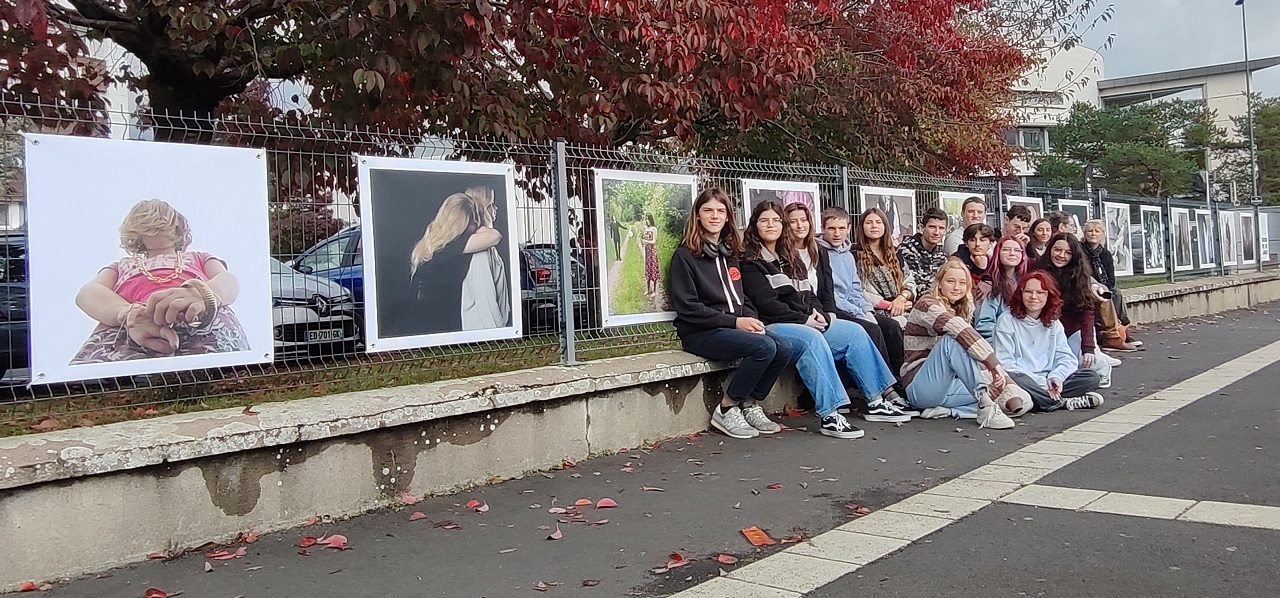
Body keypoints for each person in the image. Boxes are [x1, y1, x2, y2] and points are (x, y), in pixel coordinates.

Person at [741, 201, 912, 434]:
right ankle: (830, 414)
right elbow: (766, 305)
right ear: (755, 225)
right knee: (812, 339)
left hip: (803, 320)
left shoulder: (789, 256)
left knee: (854, 332)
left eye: (775, 220)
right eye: (764, 220)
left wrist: (819, 313)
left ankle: (876, 400)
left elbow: (809, 294)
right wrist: (803, 320)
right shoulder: (751, 260)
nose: (771, 225)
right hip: (774, 325)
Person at [668, 188, 794, 440]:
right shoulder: (684, 257)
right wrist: (735, 322)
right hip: (701, 332)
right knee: (763, 348)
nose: (714, 216)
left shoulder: (729, 253)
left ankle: (749, 402)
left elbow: (741, 297)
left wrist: (750, 318)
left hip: (731, 326)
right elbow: (689, 308)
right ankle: (726, 407)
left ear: (727, 217)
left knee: (784, 347)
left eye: (720, 211)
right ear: (697, 216)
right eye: (708, 211)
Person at [72, 199, 250, 363]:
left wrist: (205, 295)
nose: (155, 227)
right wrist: (126, 314)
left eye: (161, 222)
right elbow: (87, 293)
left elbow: (228, 280)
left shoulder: (199, 258)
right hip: (132, 330)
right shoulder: (122, 266)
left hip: (202, 323)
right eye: (147, 222)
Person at [902, 259, 1030, 428]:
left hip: (951, 386)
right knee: (952, 341)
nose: (956, 287)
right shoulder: (927, 303)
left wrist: (1007, 383)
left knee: (1024, 399)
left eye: (962, 283)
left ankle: (951, 411)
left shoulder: (964, 308)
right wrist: (992, 363)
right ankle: (985, 406)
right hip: (921, 386)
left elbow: (970, 350)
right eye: (950, 281)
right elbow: (958, 329)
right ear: (939, 284)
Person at [817, 207, 906, 389]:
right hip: (835, 308)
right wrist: (858, 312)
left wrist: (866, 310)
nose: (837, 234)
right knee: (872, 329)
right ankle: (884, 387)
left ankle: (899, 381)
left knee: (891, 327)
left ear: (849, 228)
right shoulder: (819, 253)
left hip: (854, 307)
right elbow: (831, 294)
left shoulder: (848, 255)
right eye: (832, 229)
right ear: (823, 228)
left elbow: (855, 289)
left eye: (841, 228)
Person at [993, 271, 1104, 411]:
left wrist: (1057, 376)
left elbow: (1066, 357)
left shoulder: (1053, 322)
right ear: (1020, 294)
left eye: (1040, 293)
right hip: (1024, 379)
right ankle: (1062, 403)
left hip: (1049, 378)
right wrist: (1040, 382)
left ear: (1048, 296)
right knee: (1014, 379)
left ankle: (1044, 400)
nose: (1033, 297)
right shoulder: (1006, 320)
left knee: (1091, 377)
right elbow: (1005, 363)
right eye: (1028, 292)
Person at [410, 190, 503, 334]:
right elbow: (494, 236)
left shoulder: (434, 245)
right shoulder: (452, 246)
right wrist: (482, 223)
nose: (476, 226)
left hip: (427, 319)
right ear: (463, 223)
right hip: (440, 322)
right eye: (473, 221)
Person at [855, 207, 917, 326]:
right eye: (869, 222)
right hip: (875, 311)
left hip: (902, 305)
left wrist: (902, 298)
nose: (874, 226)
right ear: (862, 227)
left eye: (878, 222)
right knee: (896, 325)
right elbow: (860, 291)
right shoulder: (855, 256)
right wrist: (891, 305)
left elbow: (910, 281)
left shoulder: (896, 254)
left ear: (885, 227)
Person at [460, 187, 510, 330]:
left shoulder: (487, 247)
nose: (496, 208)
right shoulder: (480, 253)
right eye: (491, 204)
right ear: (483, 208)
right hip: (482, 333)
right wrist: (500, 334)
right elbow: (486, 301)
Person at [975, 235, 1029, 339]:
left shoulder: (1025, 283)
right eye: (1006, 250)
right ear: (997, 253)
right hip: (999, 343)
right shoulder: (989, 286)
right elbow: (983, 325)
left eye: (1017, 250)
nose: (1012, 253)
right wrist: (1010, 336)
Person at [897, 207, 949, 293]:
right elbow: (914, 285)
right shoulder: (906, 250)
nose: (936, 232)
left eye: (941, 228)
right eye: (932, 227)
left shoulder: (941, 256)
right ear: (922, 227)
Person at [643, 214, 660, 298]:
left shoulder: (654, 229)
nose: (647, 221)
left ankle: (654, 291)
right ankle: (648, 289)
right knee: (647, 269)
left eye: (648, 219)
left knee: (653, 269)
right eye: (646, 219)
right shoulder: (646, 228)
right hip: (647, 251)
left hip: (652, 251)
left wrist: (645, 241)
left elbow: (653, 241)